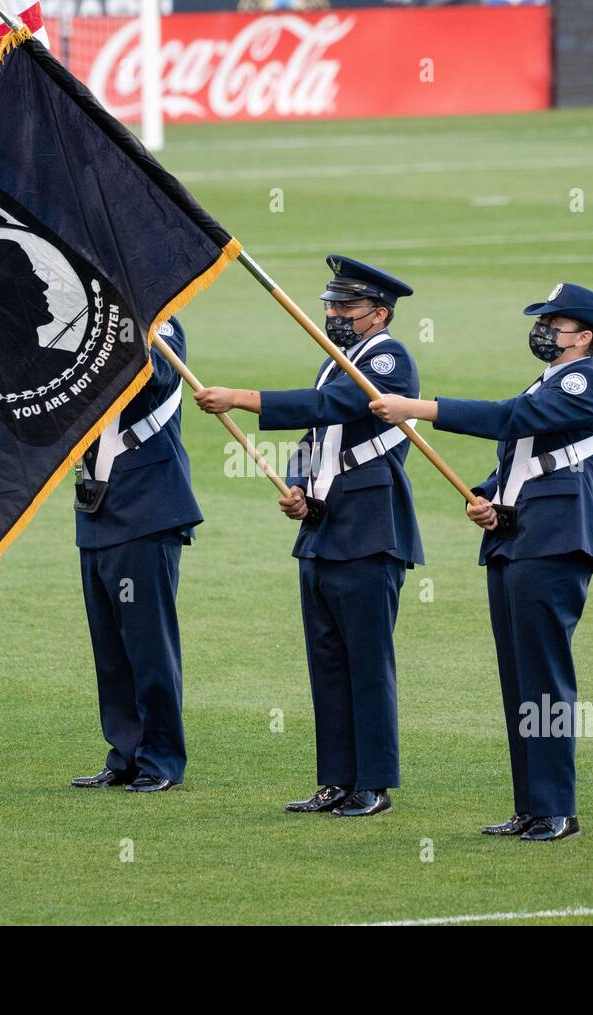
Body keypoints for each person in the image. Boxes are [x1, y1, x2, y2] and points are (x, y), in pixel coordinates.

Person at [371, 282, 593, 841]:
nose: (543, 331)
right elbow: (524, 460)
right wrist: (488, 498)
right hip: (519, 538)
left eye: (554, 324)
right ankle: (531, 805)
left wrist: (418, 409)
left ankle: (556, 808)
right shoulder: (550, 380)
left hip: (553, 542)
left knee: (545, 681)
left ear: (585, 337)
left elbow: (509, 420)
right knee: (520, 679)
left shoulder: (580, 380)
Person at [193, 255, 423, 817]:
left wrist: (243, 398)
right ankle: (336, 780)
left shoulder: (387, 357)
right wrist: (298, 486)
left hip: (369, 532)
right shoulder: (338, 360)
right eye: (331, 304)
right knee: (327, 661)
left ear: (379, 314)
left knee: (367, 661)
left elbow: (335, 406)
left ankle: (374, 783)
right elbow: (317, 437)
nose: (333, 313)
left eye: (346, 306)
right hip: (325, 530)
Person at [70, 317, 200, 793]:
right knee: (110, 647)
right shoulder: (86, 326)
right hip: (97, 506)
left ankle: (161, 759)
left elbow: (158, 375)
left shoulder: (160, 325)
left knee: (149, 645)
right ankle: (124, 754)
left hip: (147, 507)